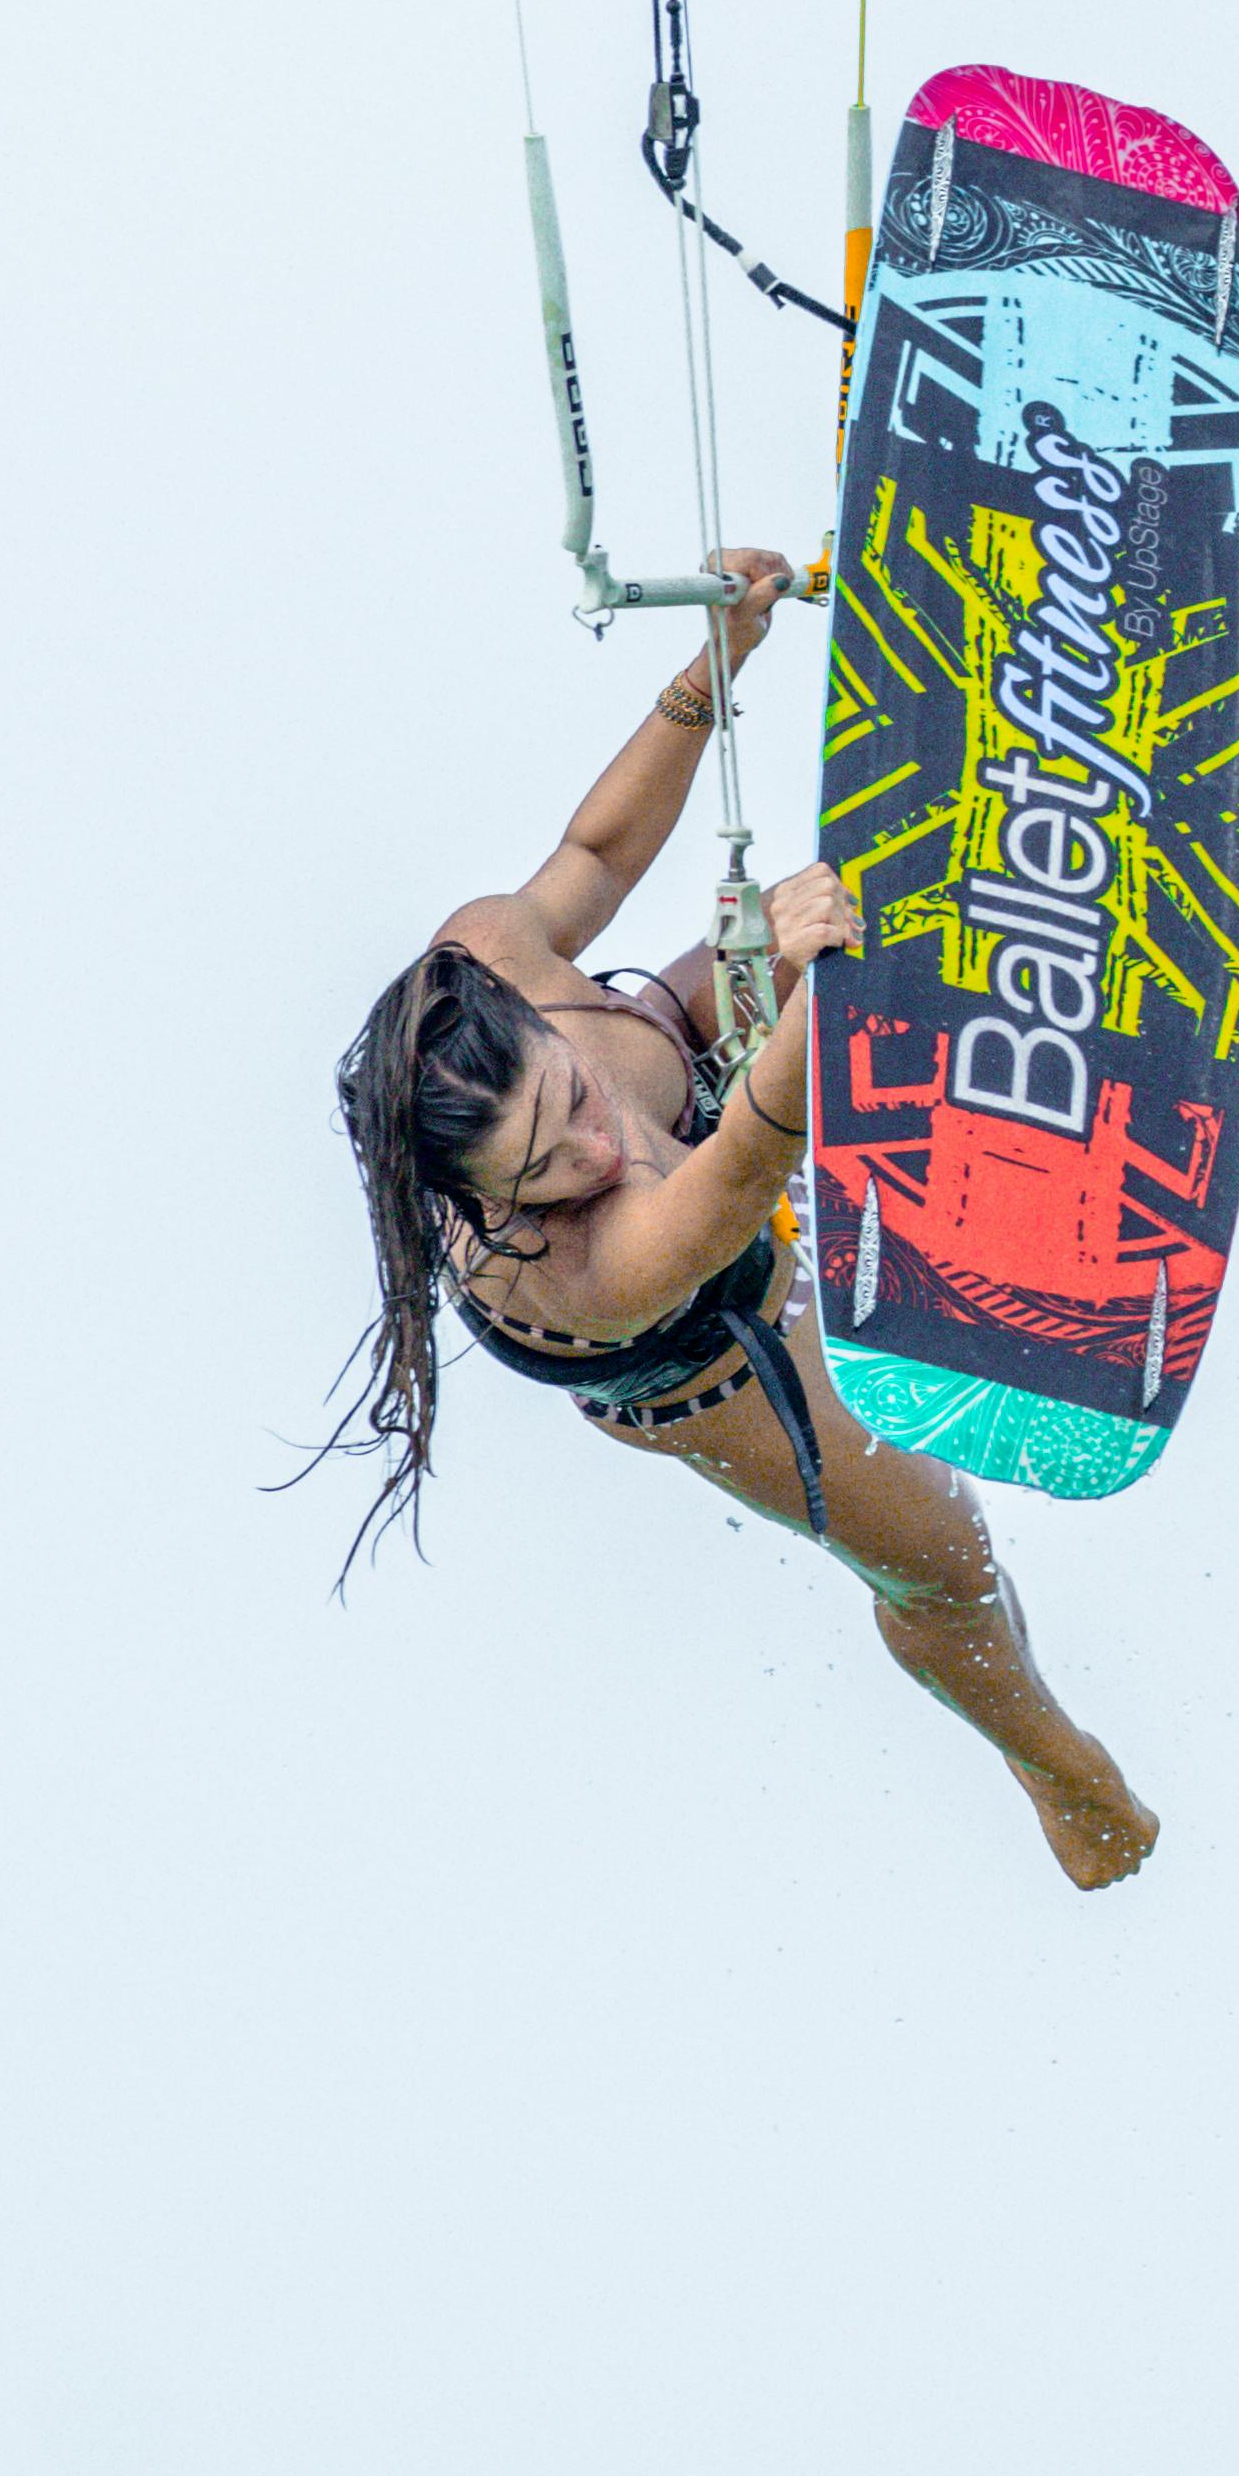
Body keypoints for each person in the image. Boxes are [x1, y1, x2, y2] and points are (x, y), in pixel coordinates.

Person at [323, 547, 1162, 1890]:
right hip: (713, 1354)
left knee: (737, 970)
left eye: (567, 1096)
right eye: (546, 1159)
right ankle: (1059, 1767)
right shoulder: (587, 1263)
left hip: (701, 1097)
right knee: (944, 1564)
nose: (589, 1141)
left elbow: (598, 852)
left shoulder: (489, 960)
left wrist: (715, 663)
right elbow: (743, 1171)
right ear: (488, 1202)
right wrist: (808, 977)